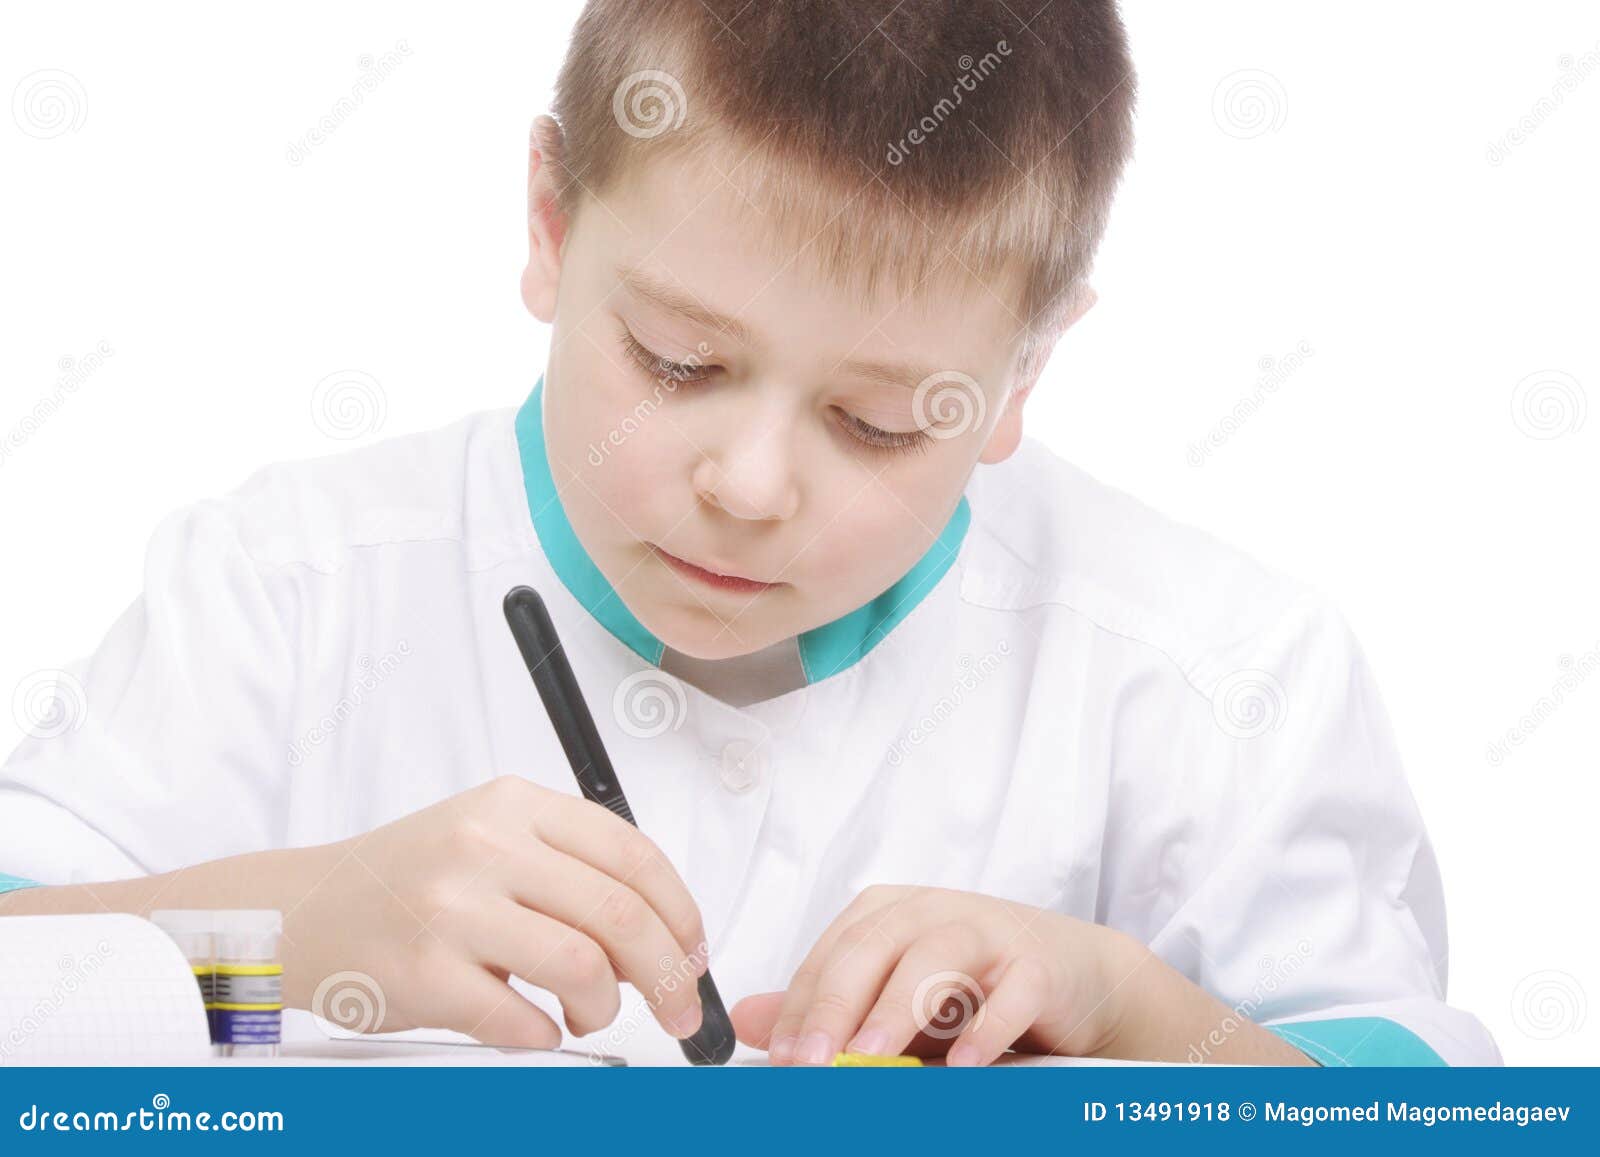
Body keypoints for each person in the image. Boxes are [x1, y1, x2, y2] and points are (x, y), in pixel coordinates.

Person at [0, 0, 1497, 1066]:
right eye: (678, 362)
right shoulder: (283, 594)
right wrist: (290, 942)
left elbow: (1418, 1116)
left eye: (884, 418)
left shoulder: (1219, 673)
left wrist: (1137, 1017)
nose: (753, 485)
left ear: (1023, 374)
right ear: (549, 220)